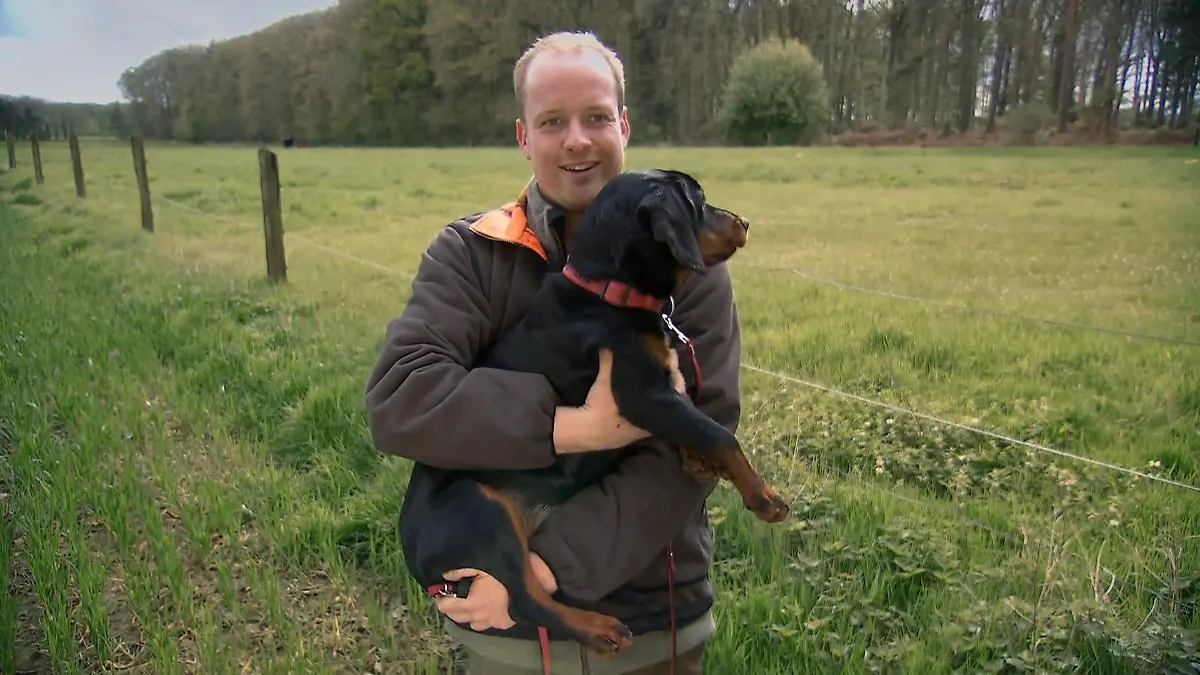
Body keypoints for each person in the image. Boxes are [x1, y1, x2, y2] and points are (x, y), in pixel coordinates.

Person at [364, 30, 743, 675]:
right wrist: (573, 427)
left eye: (596, 117)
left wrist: (539, 573)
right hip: (505, 641)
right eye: (552, 122)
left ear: (624, 126)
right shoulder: (474, 253)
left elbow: (698, 443)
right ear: (523, 137)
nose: (576, 139)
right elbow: (403, 399)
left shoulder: (686, 266)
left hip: (652, 623)